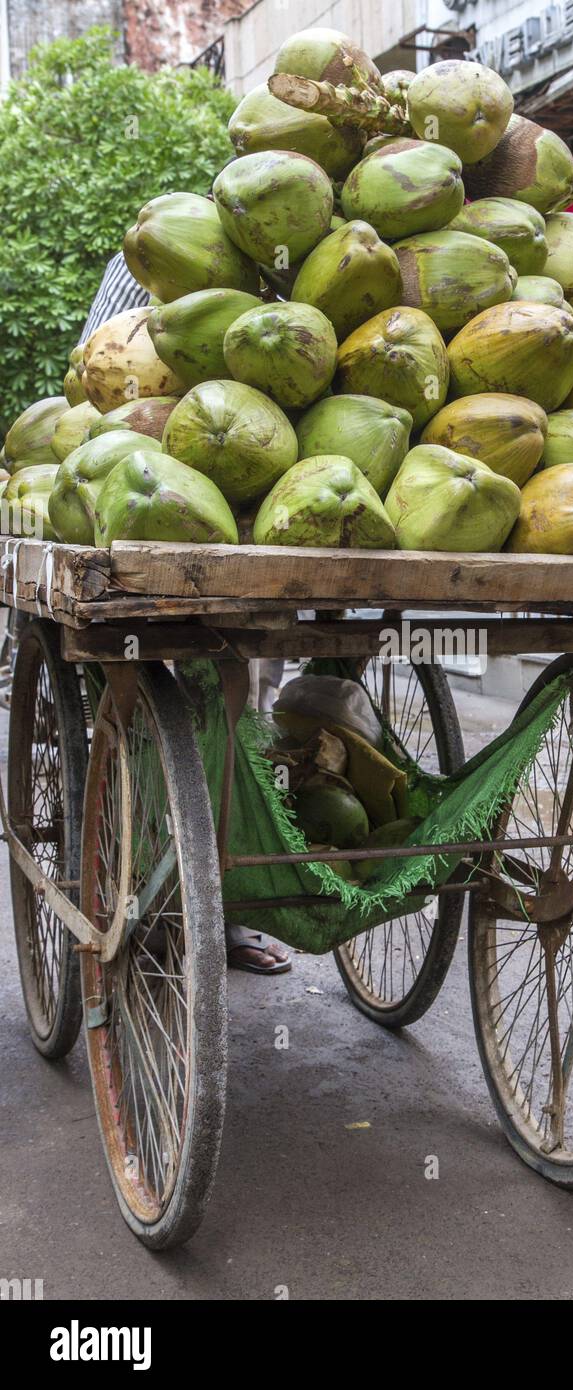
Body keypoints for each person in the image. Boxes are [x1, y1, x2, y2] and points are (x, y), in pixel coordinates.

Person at [81, 252, 291, 974]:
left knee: (250, 706)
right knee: (146, 707)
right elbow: (99, 370)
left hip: (252, 515)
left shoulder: (280, 260)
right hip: (154, 499)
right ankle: (131, 882)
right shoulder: (146, 264)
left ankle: (225, 907)